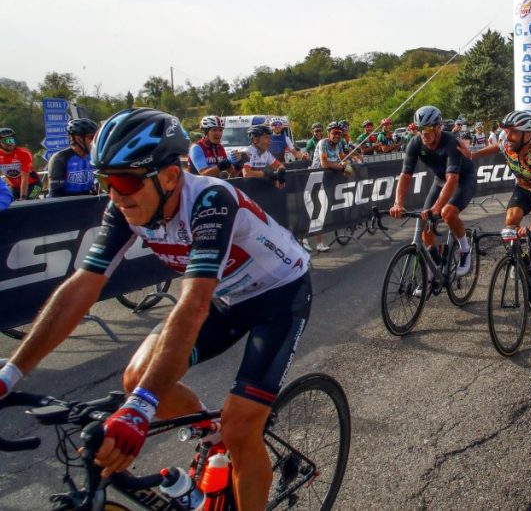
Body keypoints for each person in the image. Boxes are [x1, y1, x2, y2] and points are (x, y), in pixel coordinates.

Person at [0, 108, 311, 509]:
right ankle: (210, 436)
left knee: (240, 426)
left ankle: (230, 444)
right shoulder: (125, 206)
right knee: (135, 378)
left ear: (169, 175)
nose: (115, 194)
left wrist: (141, 410)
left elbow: (194, 302)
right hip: (226, 296)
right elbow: (82, 286)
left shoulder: (210, 200)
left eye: (126, 180)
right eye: (106, 181)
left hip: (278, 295)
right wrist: (10, 372)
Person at [472, 111, 531, 321]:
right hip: (522, 189)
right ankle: (520, 260)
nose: (507, 136)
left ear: (527, 135)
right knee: (509, 224)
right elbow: (496, 147)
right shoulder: (508, 143)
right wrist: (473, 155)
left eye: (513, 132)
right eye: (506, 132)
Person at [391, 106, 477, 280]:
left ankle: (465, 249)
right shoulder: (415, 143)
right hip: (440, 181)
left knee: (448, 212)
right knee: (425, 220)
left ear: (438, 127)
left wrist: (437, 207)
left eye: (429, 128)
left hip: (463, 179)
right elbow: (405, 175)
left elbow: (452, 180)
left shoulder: (450, 142)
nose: (424, 133)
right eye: (420, 129)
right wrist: (398, 203)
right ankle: (432, 263)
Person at [309, 121, 354, 252]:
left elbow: (344, 159)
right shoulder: (323, 143)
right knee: (319, 209)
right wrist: (342, 167)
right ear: (329, 134)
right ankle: (318, 243)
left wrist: (348, 167)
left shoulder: (339, 144)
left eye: (339, 133)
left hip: (330, 179)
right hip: (317, 179)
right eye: (334, 133)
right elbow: (324, 163)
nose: (337, 136)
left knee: (333, 205)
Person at [47, 118, 99, 197]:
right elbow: (55, 193)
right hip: (65, 201)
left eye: (97, 137)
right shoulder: (59, 158)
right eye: (91, 137)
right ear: (78, 139)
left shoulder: (95, 156)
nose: (94, 141)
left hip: (87, 199)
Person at [0, 127, 42, 200]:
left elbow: (24, 178)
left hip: (34, 185)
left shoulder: (24, 153)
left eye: (11, 140)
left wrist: (23, 197)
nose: (10, 143)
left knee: (28, 202)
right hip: (14, 187)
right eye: (5, 141)